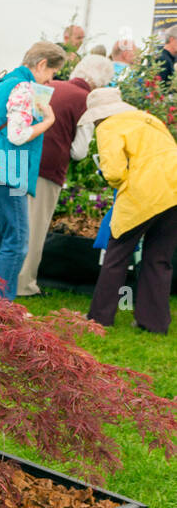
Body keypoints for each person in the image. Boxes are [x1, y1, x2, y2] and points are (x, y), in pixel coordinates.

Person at [0, 41, 66, 300]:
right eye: (52, 72)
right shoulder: (25, 86)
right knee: (16, 240)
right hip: (7, 171)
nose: (51, 79)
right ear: (42, 64)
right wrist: (49, 121)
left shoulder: (3, 80)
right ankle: (0, 308)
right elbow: (18, 134)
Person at [77, 88, 177, 333]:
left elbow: (113, 171)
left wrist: (113, 178)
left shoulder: (108, 127)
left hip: (143, 194)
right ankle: (154, 323)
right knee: (159, 258)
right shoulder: (149, 118)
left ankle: (99, 319)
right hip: (174, 192)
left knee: (116, 255)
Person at [17, 54, 114, 296]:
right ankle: (24, 285)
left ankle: (0, 279)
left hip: (19, 160)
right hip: (47, 168)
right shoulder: (86, 101)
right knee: (35, 229)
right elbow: (79, 151)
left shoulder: (49, 85)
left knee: (15, 225)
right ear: (100, 83)